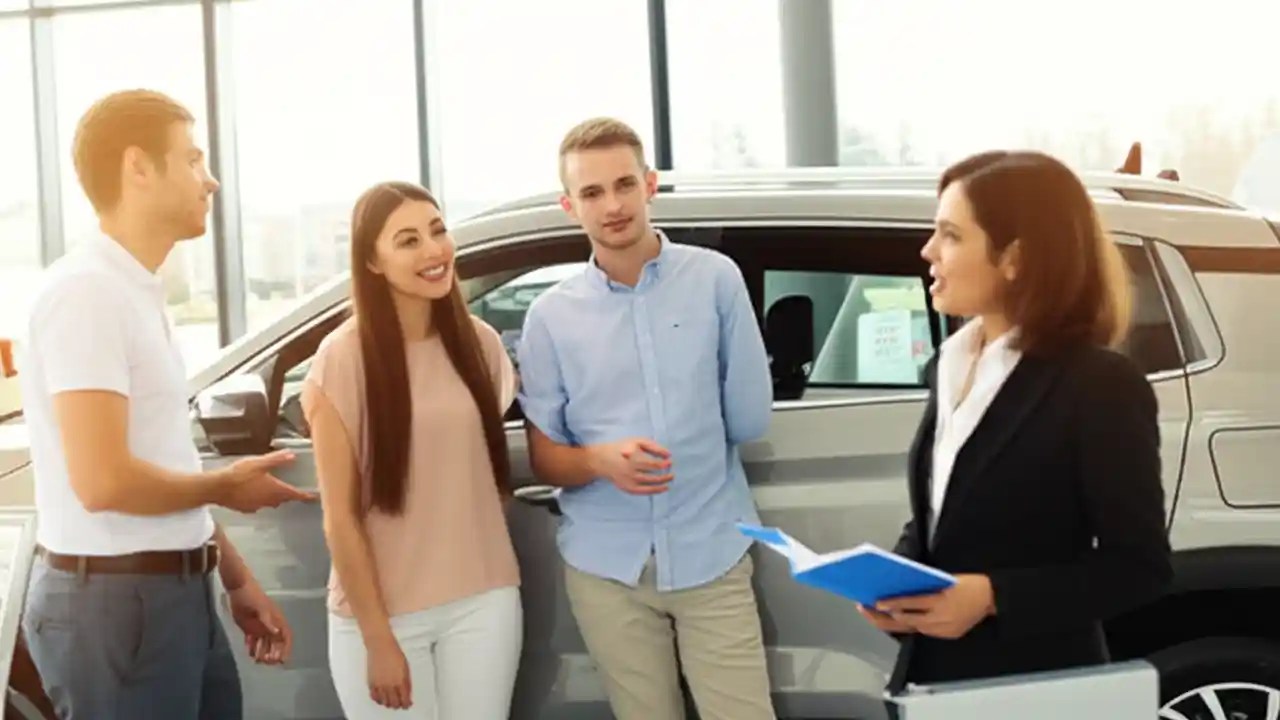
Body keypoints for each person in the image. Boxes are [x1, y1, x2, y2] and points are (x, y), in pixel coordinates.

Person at [17, 89, 316, 719]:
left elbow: (163, 459)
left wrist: (230, 573)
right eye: (192, 160)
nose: (209, 182)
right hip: (117, 609)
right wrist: (226, 486)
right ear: (138, 167)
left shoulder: (133, 291)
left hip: (169, 594)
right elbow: (102, 482)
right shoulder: (87, 294)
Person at [856, 150, 1174, 689]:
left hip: (1036, 683)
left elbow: (1139, 568)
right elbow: (943, 515)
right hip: (934, 676)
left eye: (951, 235)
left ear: (1015, 258)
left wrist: (992, 597)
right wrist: (895, 583)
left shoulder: (1098, 384)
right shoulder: (948, 365)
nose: (928, 250)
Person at [517, 117, 776, 720]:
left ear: (649, 185)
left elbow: (747, 419)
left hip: (712, 551)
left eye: (623, 184)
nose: (612, 205)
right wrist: (599, 461)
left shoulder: (715, 280)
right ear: (568, 205)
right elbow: (545, 459)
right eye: (591, 192)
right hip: (609, 573)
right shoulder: (550, 318)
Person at [302, 181, 522, 719]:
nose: (433, 250)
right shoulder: (341, 360)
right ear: (372, 262)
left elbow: (479, 475)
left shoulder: (482, 346)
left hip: (484, 602)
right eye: (407, 240)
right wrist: (379, 642)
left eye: (438, 231)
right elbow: (340, 520)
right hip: (383, 618)